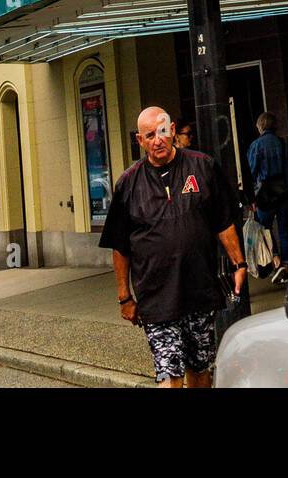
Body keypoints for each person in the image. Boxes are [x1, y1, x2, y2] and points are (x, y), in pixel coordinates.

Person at [100, 106, 246, 389]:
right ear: (139, 140)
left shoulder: (202, 166)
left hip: (199, 290)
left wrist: (239, 264)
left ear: (173, 130)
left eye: (163, 131)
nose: (158, 140)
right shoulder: (128, 184)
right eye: (150, 135)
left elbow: (223, 221)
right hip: (157, 297)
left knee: (200, 369)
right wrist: (124, 297)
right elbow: (119, 246)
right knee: (169, 376)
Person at [247, 111, 288, 287]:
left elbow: (251, 172)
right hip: (285, 193)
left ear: (260, 127)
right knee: (285, 229)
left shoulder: (255, 146)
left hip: (265, 195)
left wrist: (251, 196)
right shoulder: (284, 144)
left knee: (264, 228)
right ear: (275, 126)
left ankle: (275, 260)